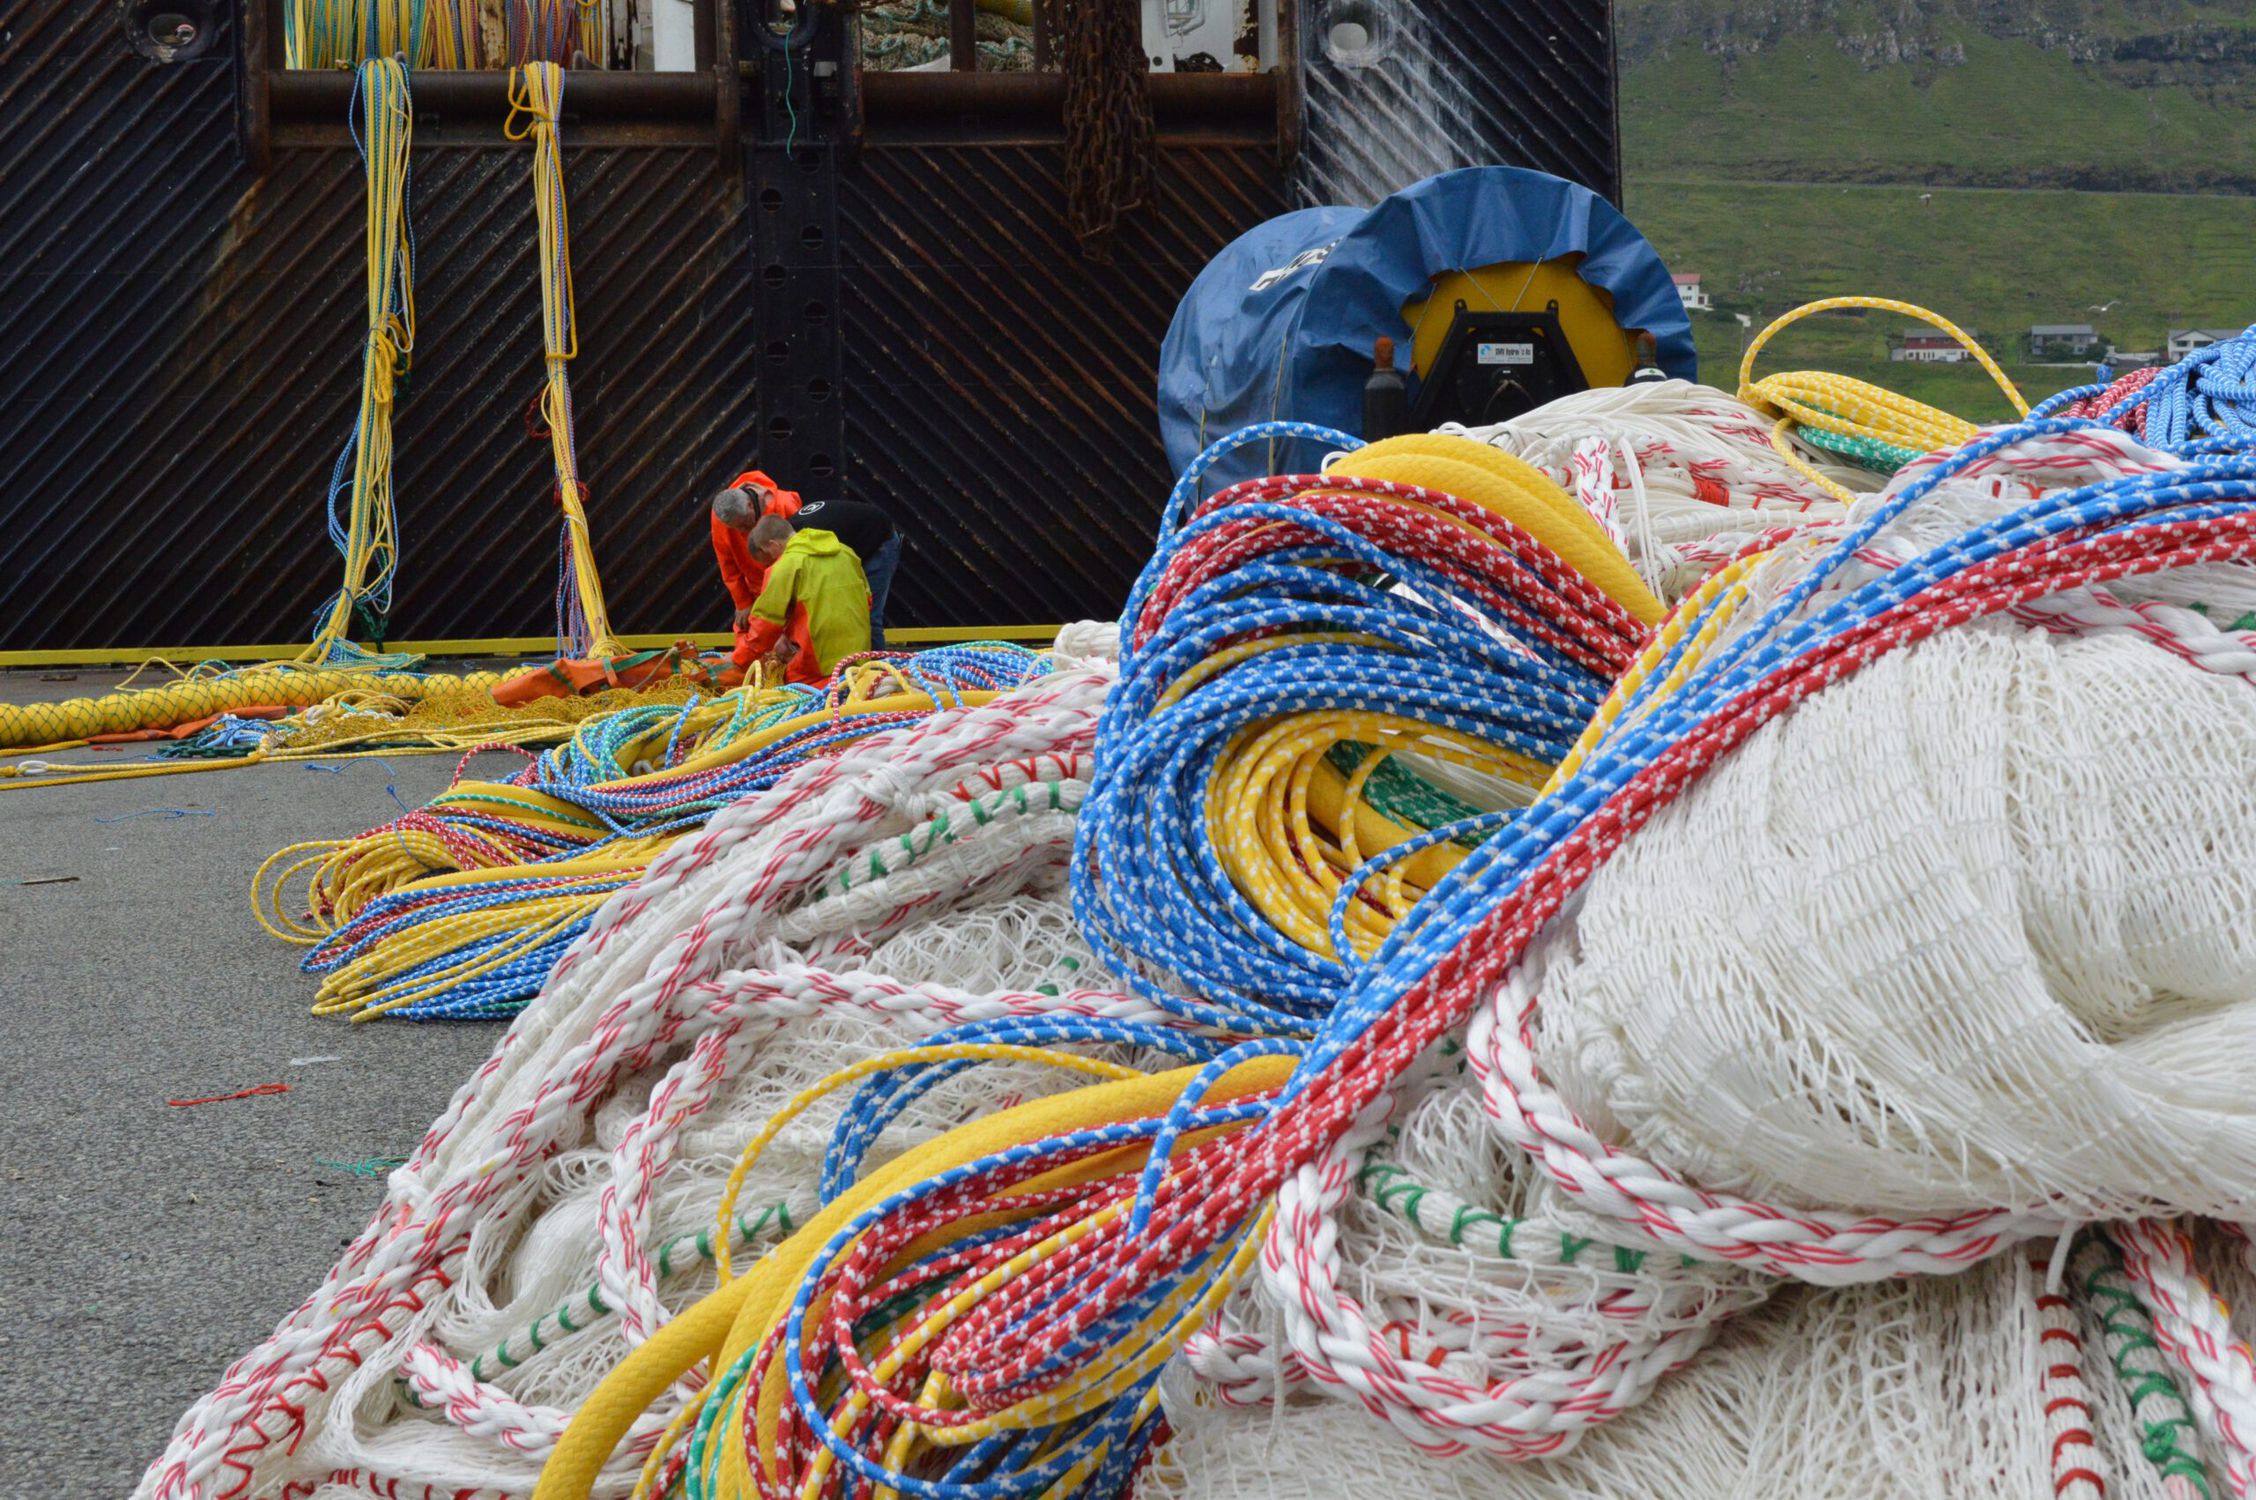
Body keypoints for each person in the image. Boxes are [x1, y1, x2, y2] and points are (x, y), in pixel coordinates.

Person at [735, 514, 872, 684]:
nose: (772, 562)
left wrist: (738, 661)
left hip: (818, 668)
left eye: (770, 557)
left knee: (795, 695)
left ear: (773, 544)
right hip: (860, 658)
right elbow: (867, 600)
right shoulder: (846, 552)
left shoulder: (785, 566)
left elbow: (765, 625)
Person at [791, 498, 901, 648]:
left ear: (772, 544)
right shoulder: (792, 531)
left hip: (878, 542)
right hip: (858, 535)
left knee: (868, 617)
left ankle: (878, 667)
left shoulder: (813, 539)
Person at [708, 471, 803, 634]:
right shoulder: (721, 517)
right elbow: (727, 565)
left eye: (744, 525)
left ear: (751, 505)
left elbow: (801, 560)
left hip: (793, 589)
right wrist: (742, 603)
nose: (741, 531)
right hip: (757, 593)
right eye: (735, 528)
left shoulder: (786, 505)